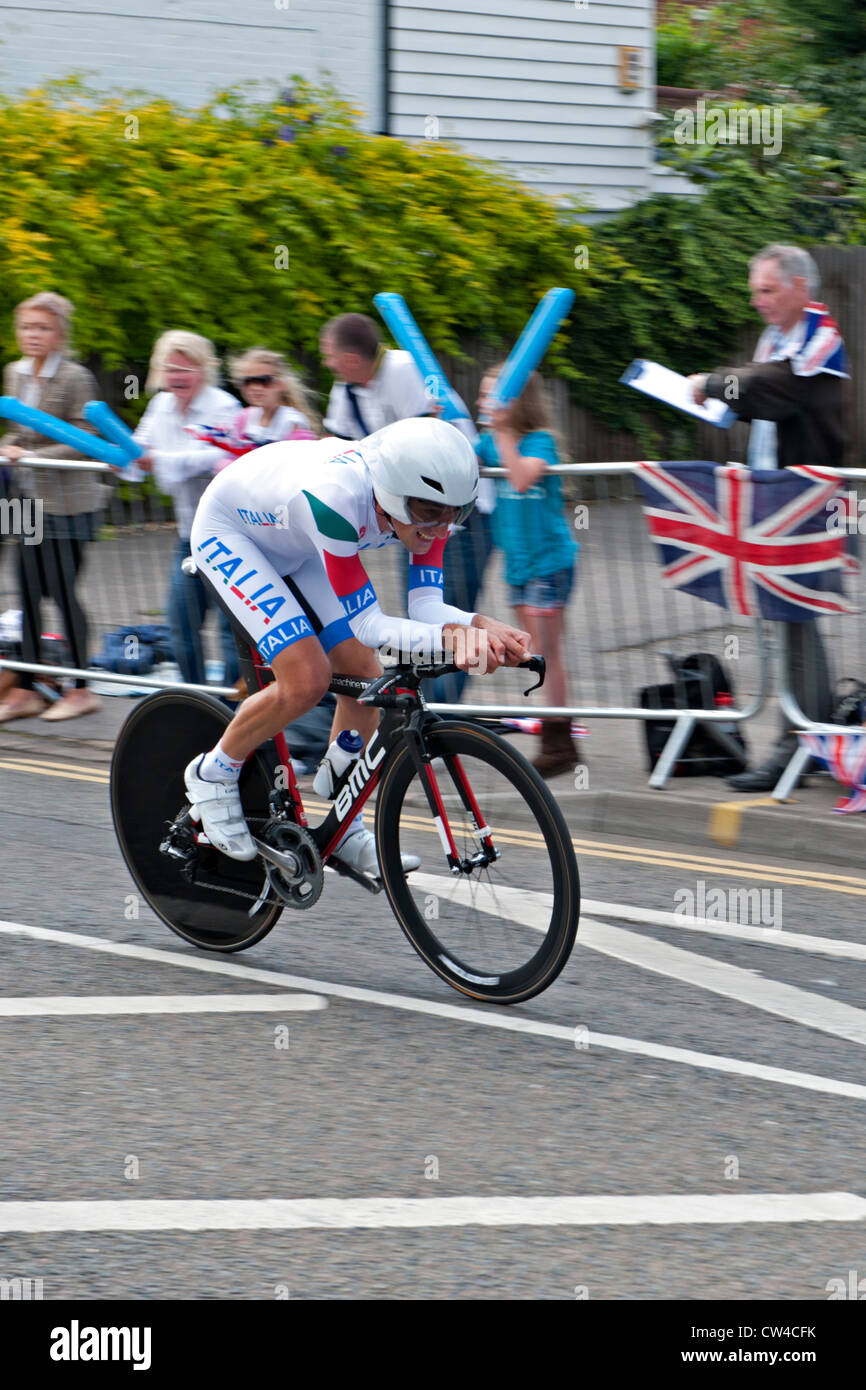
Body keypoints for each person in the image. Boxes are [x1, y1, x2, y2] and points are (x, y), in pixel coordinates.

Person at [181, 417, 531, 875]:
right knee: (306, 679)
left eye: (456, 513)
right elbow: (368, 624)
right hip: (231, 532)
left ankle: (344, 827)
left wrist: (479, 623)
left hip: (296, 543)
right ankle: (213, 773)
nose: (442, 528)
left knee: (367, 678)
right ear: (391, 495)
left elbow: (425, 605)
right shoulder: (337, 500)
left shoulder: (428, 508)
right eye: (430, 513)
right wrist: (454, 640)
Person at [689, 244, 850, 792]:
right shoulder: (779, 339)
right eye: (755, 290)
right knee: (793, 626)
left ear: (801, 288)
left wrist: (712, 385)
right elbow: (755, 395)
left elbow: (773, 388)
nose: (757, 301)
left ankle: (797, 745)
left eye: (768, 290)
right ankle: (810, 738)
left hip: (803, 503)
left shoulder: (818, 338)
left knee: (796, 624)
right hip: (775, 500)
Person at [0, 292, 109, 722]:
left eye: (43, 328)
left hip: (68, 504)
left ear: (60, 334)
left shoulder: (75, 377)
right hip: (23, 499)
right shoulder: (14, 373)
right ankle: (27, 688)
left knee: (63, 593)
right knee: (25, 591)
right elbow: (17, 434)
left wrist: (32, 454)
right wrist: (10, 447)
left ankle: (81, 689)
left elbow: (86, 441)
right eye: (27, 327)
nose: (33, 335)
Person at [475, 366, 579, 779]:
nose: (485, 403)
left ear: (518, 399)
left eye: (493, 395)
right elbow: (461, 454)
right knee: (534, 650)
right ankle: (556, 738)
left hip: (549, 562)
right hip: (517, 563)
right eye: (482, 395)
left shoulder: (541, 442)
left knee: (547, 653)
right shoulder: (489, 440)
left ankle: (559, 745)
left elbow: (519, 479)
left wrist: (500, 432)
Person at [131, 331, 240, 688]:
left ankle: (234, 711)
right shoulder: (159, 405)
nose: (177, 375)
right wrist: (121, 460)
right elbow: (137, 448)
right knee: (180, 624)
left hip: (232, 536)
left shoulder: (223, 405)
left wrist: (156, 460)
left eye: (186, 367)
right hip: (188, 535)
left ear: (204, 369)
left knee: (231, 629)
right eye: (170, 367)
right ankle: (197, 702)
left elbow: (217, 456)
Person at [320, 313, 430, 439]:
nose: (325, 363)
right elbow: (336, 441)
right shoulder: (344, 386)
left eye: (330, 357)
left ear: (352, 361)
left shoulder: (405, 369)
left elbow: (423, 437)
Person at [228, 347, 319, 449]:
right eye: (248, 381)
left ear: (281, 384)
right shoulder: (244, 418)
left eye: (264, 380)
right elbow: (233, 453)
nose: (255, 387)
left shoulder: (292, 423)